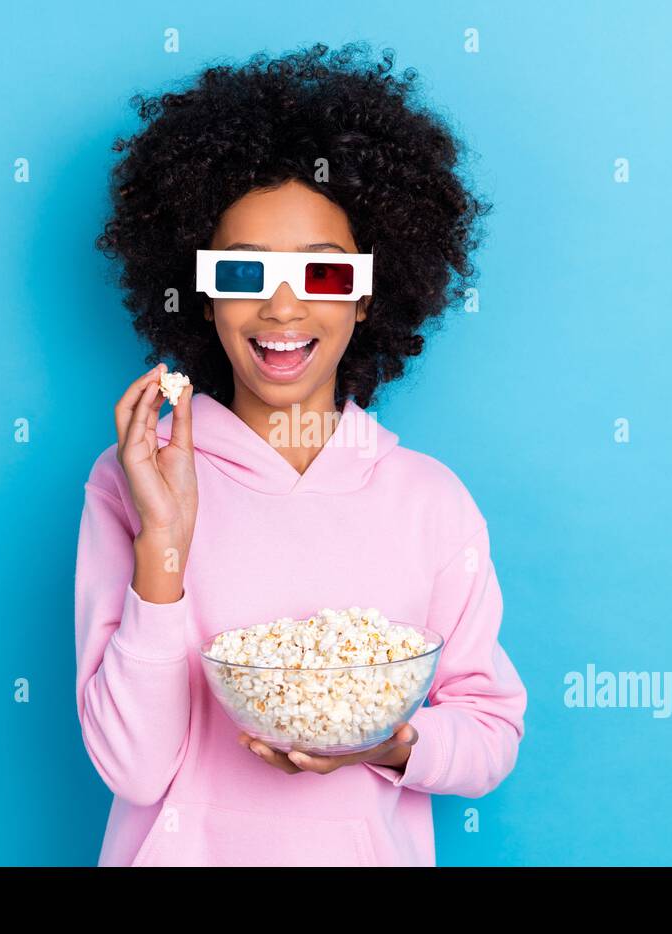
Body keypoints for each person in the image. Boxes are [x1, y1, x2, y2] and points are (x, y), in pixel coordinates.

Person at [75, 41, 526, 866]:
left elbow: (491, 733)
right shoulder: (132, 479)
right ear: (203, 294)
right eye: (244, 271)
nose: (281, 307)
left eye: (322, 276)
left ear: (365, 296)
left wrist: (386, 746)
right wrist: (163, 544)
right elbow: (134, 772)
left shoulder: (430, 500)